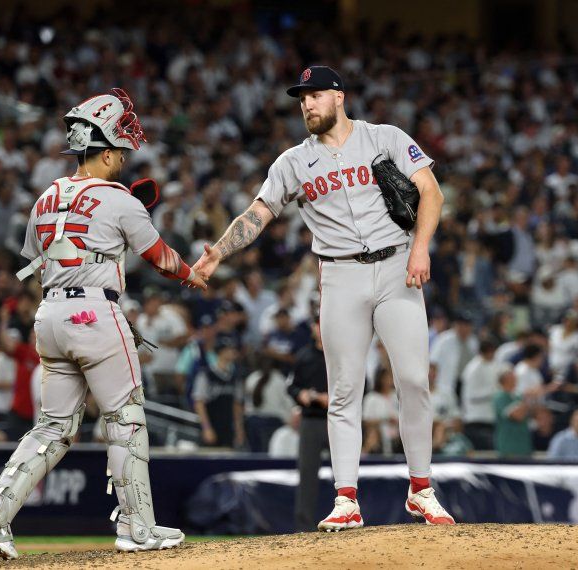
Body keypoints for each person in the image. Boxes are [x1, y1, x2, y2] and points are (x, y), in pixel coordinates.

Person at [193, 66, 454, 529]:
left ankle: (421, 489)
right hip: (340, 276)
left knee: (413, 379)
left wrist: (420, 248)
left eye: (314, 95)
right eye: (301, 99)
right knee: (345, 390)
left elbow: (430, 192)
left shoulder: (385, 137)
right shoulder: (293, 161)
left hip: (397, 267)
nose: (307, 105)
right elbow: (259, 212)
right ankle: (346, 498)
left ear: (339, 96)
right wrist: (218, 254)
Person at [0, 88, 206, 559]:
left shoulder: (45, 196)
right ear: (108, 149)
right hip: (95, 313)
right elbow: (160, 257)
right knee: (126, 418)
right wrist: (191, 274)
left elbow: (34, 264)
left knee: (52, 428)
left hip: (51, 315)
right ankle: (138, 528)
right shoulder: (118, 198)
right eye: (121, 150)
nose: (124, 158)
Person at [287, 317, 330, 531]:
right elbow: (292, 386)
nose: (320, 328)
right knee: (306, 474)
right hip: (311, 420)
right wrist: (300, 394)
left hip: (337, 420)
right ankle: (303, 528)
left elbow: (362, 384)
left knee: (346, 474)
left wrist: (336, 397)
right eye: (317, 324)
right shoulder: (304, 356)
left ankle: (349, 520)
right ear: (313, 328)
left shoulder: (341, 352)